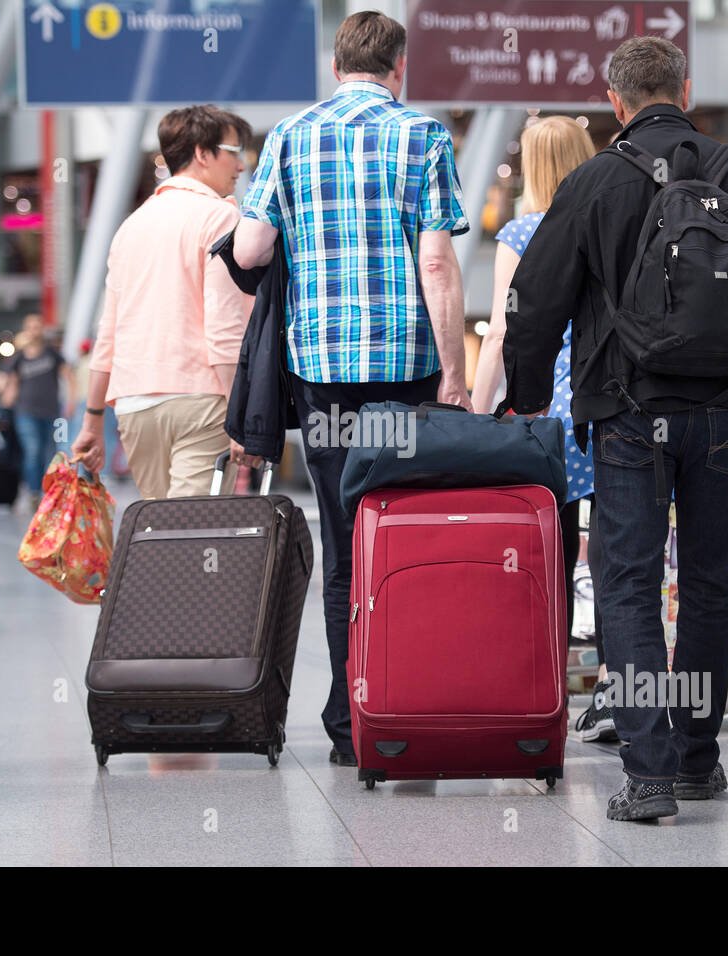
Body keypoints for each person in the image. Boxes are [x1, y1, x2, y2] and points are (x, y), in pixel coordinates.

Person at [502, 36, 728, 821]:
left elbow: (536, 300)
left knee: (630, 585)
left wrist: (530, 394)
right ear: (687, 89)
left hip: (628, 411)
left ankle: (650, 775)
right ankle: (700, 758)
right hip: (725, 414)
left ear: (615, 102)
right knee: (707, 584)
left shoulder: (595, 180)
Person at [232, 10, 470, 767]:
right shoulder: (425, 136)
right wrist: (457, 374)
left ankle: (349, 723)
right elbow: (436, 265)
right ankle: (410, 702)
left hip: (323, 372)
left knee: (345, 540)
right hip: (406, 367)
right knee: (405, 529)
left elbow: (251, 246)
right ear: (398, 65)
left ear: (338, 65)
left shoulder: (289, 137)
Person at [468, 116, 614, 741]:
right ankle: (615, 684)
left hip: (543, 411)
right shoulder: (609, 221)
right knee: (617, 550)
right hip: (605, 399)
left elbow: (503, 330)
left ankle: (544, 683)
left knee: (546, 547)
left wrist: (475, 414)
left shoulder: (523, 231)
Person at [70, 105, 254, 499]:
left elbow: (109, 334)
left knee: (162, 535)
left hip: (135, 404)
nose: (240, 166)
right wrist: (242, 416)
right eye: (233, 152)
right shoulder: (219, 217)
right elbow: (223, 326)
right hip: (201, 398)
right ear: (203, 153)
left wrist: (92, 420)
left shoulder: (131, 226)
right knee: (194, 538)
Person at [0, 313, 75, 508]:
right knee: (32, 451)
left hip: (51, 412)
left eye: (38, 326)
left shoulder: (52, 354)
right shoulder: (18, 357)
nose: (35, 330)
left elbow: (69, 377)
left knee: (50, 453)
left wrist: (71, 402)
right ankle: (33, 492)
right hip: (26, 412)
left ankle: (49, 492)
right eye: (31, 326)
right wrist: (3, 387)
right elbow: (1, 382)